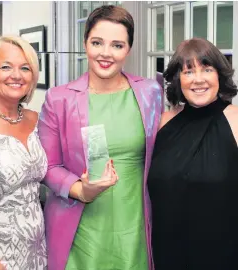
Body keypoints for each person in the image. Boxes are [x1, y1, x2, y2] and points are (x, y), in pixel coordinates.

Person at [38, 5, 163, 270]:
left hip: (135, 226)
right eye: (97, 42)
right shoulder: (59, 98)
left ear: (129, 49)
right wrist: (80, 189)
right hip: (81, 230)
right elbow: (48, 167)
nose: (106, 53)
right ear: (85, 44)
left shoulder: (151, 92)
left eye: (117, 45)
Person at [148, 37, 238, 270]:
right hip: (167, 254)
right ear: (179, 80)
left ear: (219, 75)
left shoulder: (236, 121)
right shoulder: (163, 122)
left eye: (206, 69)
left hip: (222, 256)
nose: (198, 79)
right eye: (188, 72)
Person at [0, 36, 47, 269]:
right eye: (6, 67)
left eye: (25, 68)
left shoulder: (36, 120)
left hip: (37, 252)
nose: (16, 75)